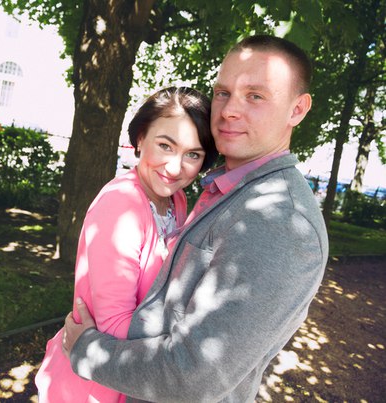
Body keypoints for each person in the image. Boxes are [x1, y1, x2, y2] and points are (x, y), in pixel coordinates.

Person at [62, 34, 329, 402]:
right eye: (223, 93)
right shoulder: (229, 190)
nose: (230, 110)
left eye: (255, 96)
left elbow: (194, 376)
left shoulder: (280, 220)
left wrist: (87, 351)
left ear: (297, 109)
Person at [35, 86, 218, 402]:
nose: (175, 167)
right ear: (141, 138)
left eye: (193, 154)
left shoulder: (175, 199)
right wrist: (182, 352)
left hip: (132, 379)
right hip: (93, 385)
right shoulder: (121, 205)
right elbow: (113, 324)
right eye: (165, 145)